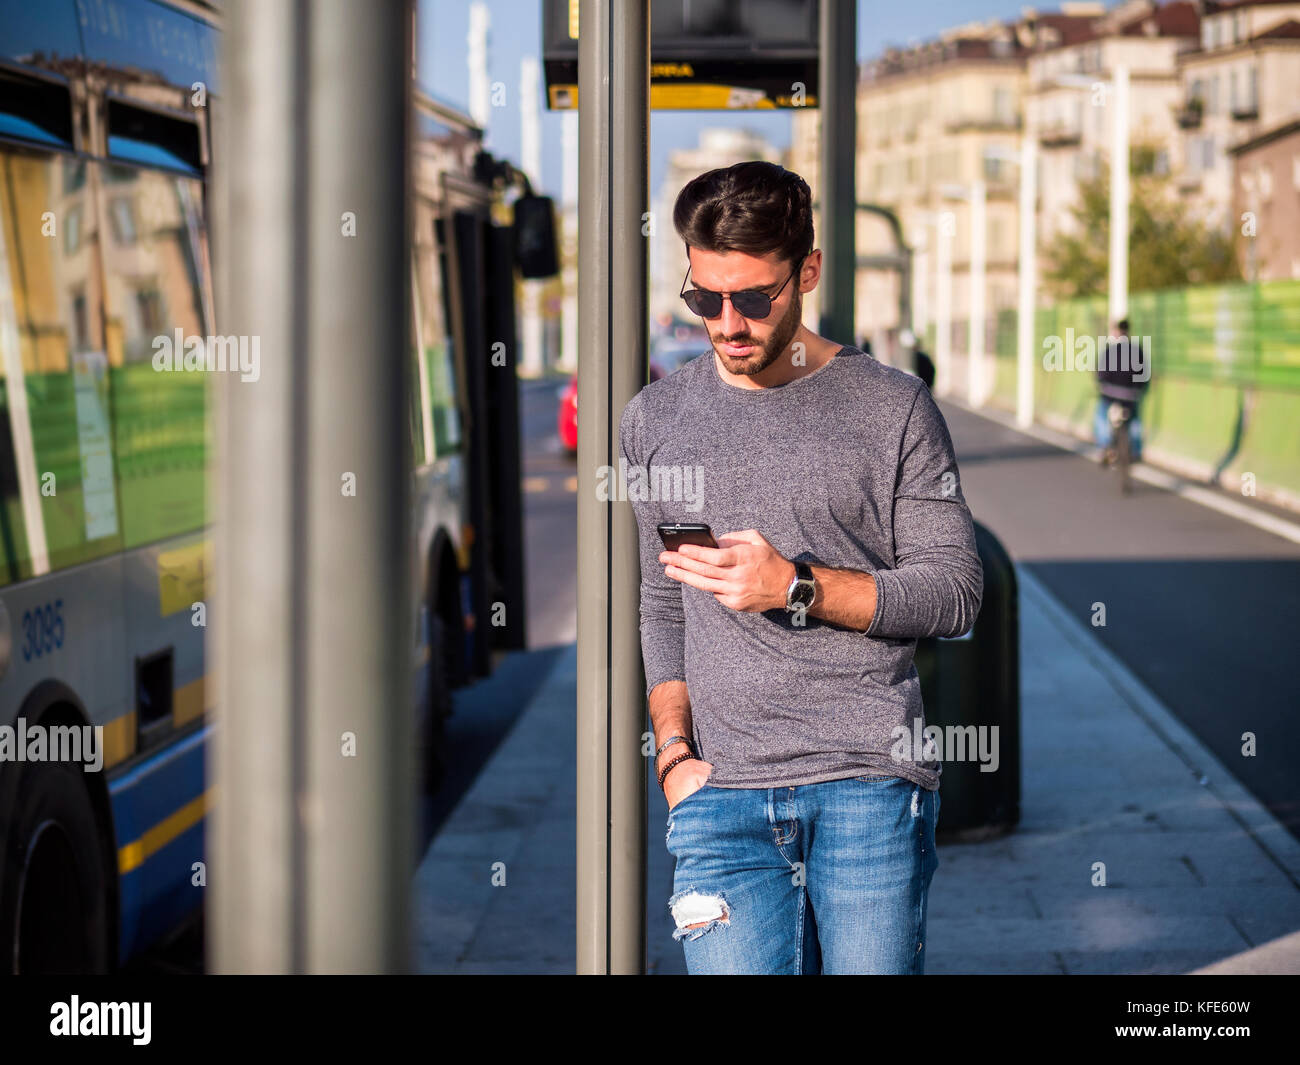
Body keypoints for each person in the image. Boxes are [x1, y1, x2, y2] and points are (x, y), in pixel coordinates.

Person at [618, 161, 983, 975]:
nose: (728, 322)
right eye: (705, 299)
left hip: (866, 782)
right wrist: (674, 753)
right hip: (719, 799)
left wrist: (795, 586)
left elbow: (956, 592)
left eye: (754, 298)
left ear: (807, 272)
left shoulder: (891, 407)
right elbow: (661, 604)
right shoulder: (655, 420)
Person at [1094, 319, 1149, 465]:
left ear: (1116, 332)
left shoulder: (1109, 351)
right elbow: (1144, 375)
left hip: (1110, 394)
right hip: (1131, 396)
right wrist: (1139, 391)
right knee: (1135, 420)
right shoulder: (1137, 351)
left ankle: (1105, 445)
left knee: (1101, 416)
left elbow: (1100, 374)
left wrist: (1101, 386)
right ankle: (1136, 451)